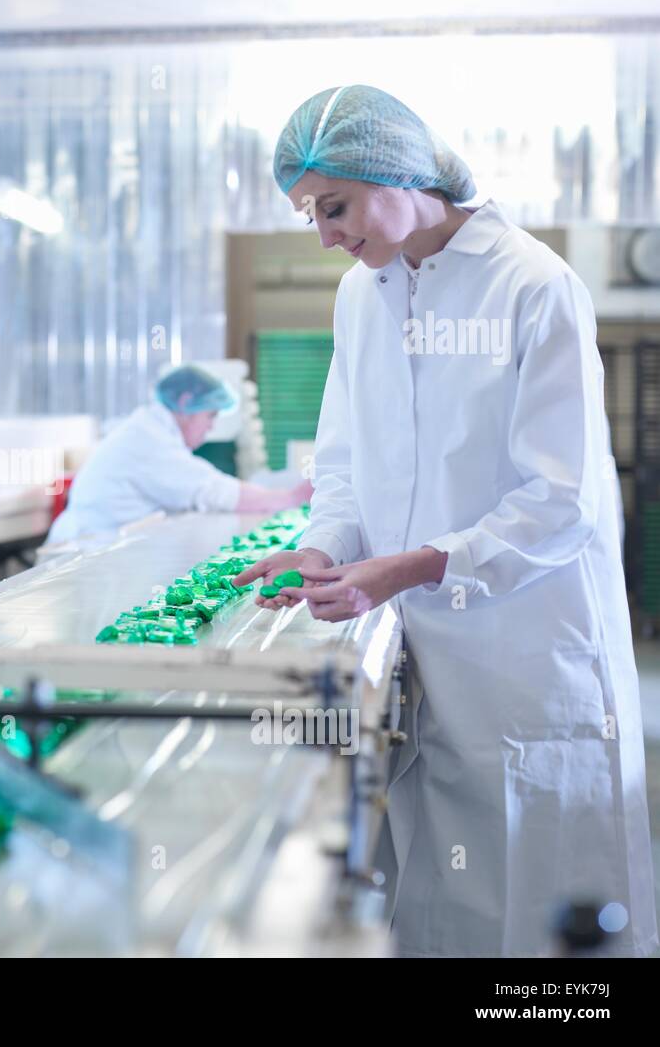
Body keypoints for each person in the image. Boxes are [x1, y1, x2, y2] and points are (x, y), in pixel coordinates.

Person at [234, 84, 657, 958]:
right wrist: (318, 551)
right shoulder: (362, 295)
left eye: (334, 206)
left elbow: (560, 502)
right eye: (312, 214)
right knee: (431, 907)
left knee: (533, 915)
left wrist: (408, 567)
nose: (323, 235)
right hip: (416, 651)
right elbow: (346, 468)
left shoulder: (535, 286)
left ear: (396, 173)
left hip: (525, 655)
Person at [46, 364, 311, 544]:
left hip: (99, 544)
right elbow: (212, 490)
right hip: (85, 550)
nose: (211, 426)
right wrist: (290, 497)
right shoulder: (148, 440)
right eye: (210, 415)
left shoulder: (155, 431)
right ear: (185, 403)